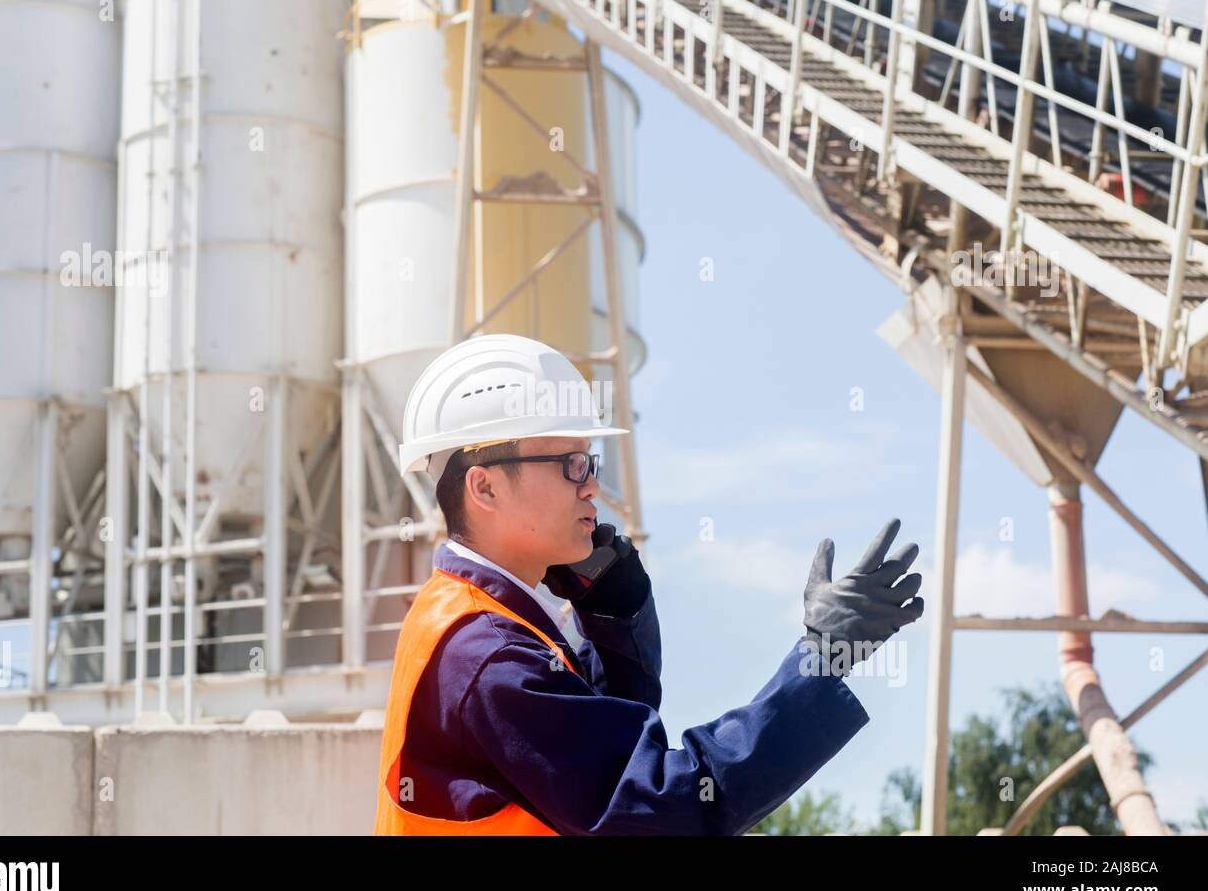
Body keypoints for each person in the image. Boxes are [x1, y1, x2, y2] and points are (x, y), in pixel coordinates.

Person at [373, 333, 924, 835]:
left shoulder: (477, 625)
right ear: (484, 487)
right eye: (569, 464)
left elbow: (603, 757)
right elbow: (666, 805)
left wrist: (616, 614)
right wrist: (820, 660)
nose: (591, 486)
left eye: (589, 462)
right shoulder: (488, 655)